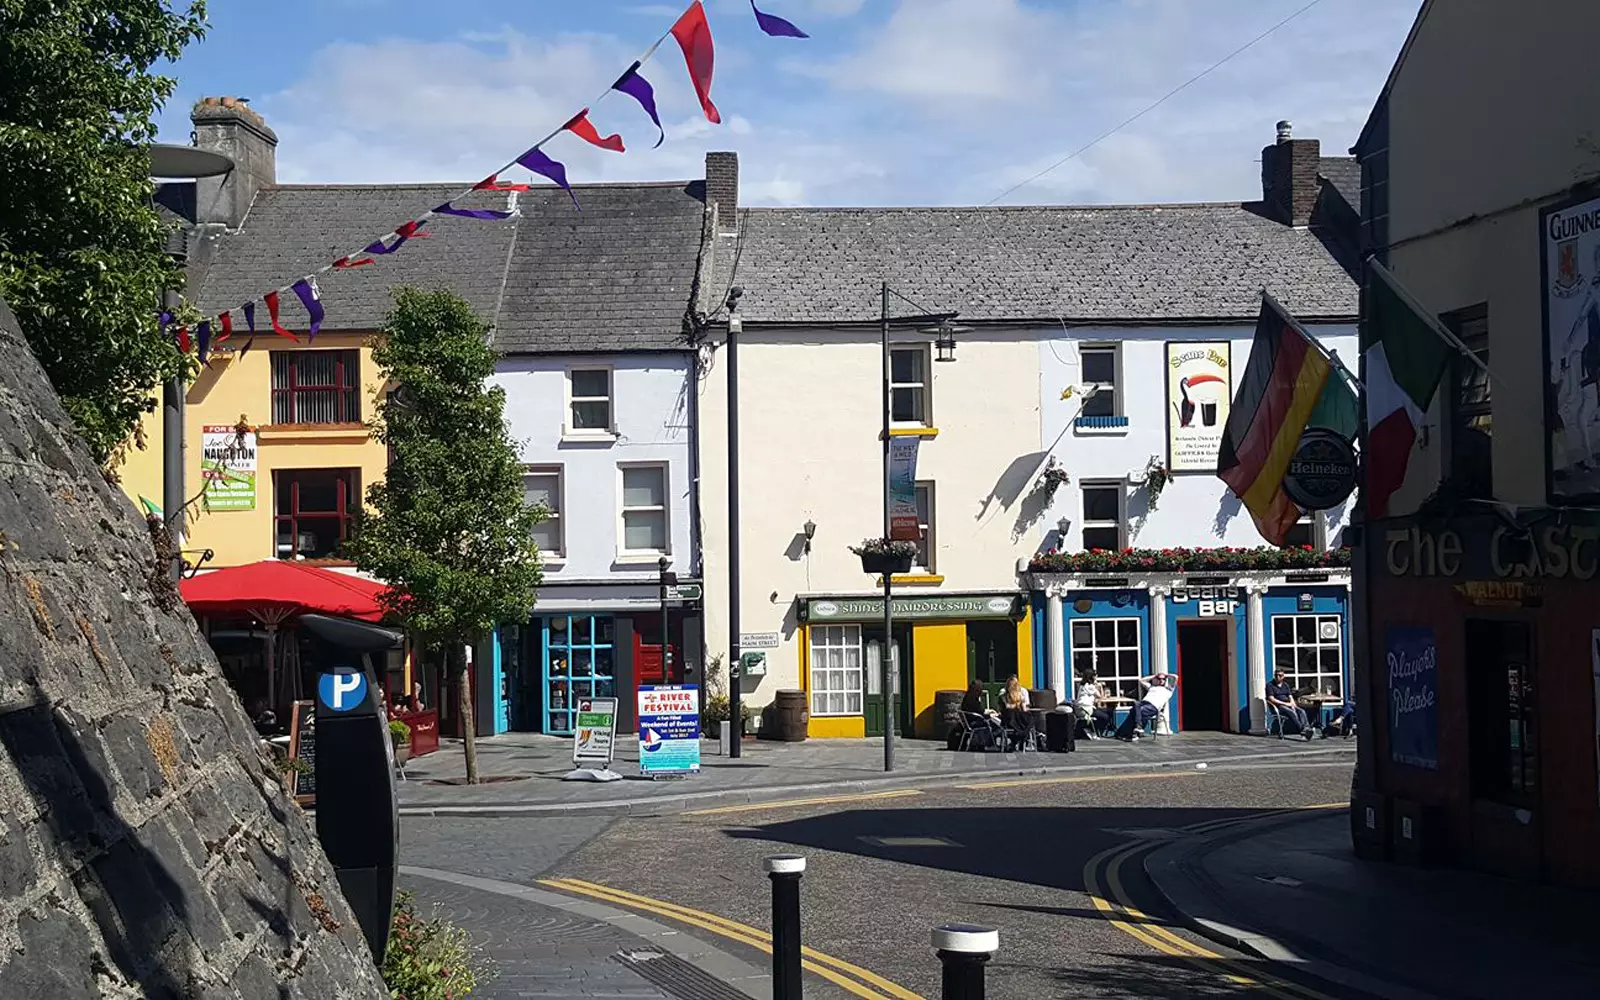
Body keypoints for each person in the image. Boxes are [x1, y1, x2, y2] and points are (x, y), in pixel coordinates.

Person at [1116, 672, 1176, 741]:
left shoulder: (1169, 690)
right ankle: (1134, 732)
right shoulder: (1152, 687)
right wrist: (1155, 676)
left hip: (1153, 707)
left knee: (1135, 711)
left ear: (1165, 680)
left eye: (1163, 679)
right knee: (1134, 708)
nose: (1161, 680)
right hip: (1143, 704)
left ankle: (1130, 732)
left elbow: (1175, 677)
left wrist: (1166, 675)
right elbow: (1141, 680)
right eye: (1159, 679)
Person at [1266, 669, 1315, 740]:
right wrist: (1286, 704)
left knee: (1301, 711)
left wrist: (1292, 703)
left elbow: (1290, 696)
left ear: (1283, 676)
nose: (1278, 677)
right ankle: (1303, 730)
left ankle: (1306, 728)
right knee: (1292, 713)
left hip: (1288, 703)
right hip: (1279, 705)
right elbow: (1272, 699)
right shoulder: (1270, 685)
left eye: (1280, 675)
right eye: (1276, 675)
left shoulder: (1285, 685)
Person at [1073, 670, 1114, 740]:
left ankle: (1091, 729)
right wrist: (1100, 686)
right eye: (1095, 676)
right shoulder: (1090, 686)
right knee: (1105, 717)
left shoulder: (1082, 685)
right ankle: (1094, 731)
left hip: (1080, 708)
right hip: (1086, 709)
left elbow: (1090, 697)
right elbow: (1100, 696)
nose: (1096, 677)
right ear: (1091, 677)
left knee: (1105, 711)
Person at [1001, 674, 1036, 751]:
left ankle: (1014, 742)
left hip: (1010, 722)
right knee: (1029, 721)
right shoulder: (1021, 697)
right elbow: (1024, 709)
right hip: (1021, 722)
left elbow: (1007, 707)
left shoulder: (1004, 696)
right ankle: (1024, 741)